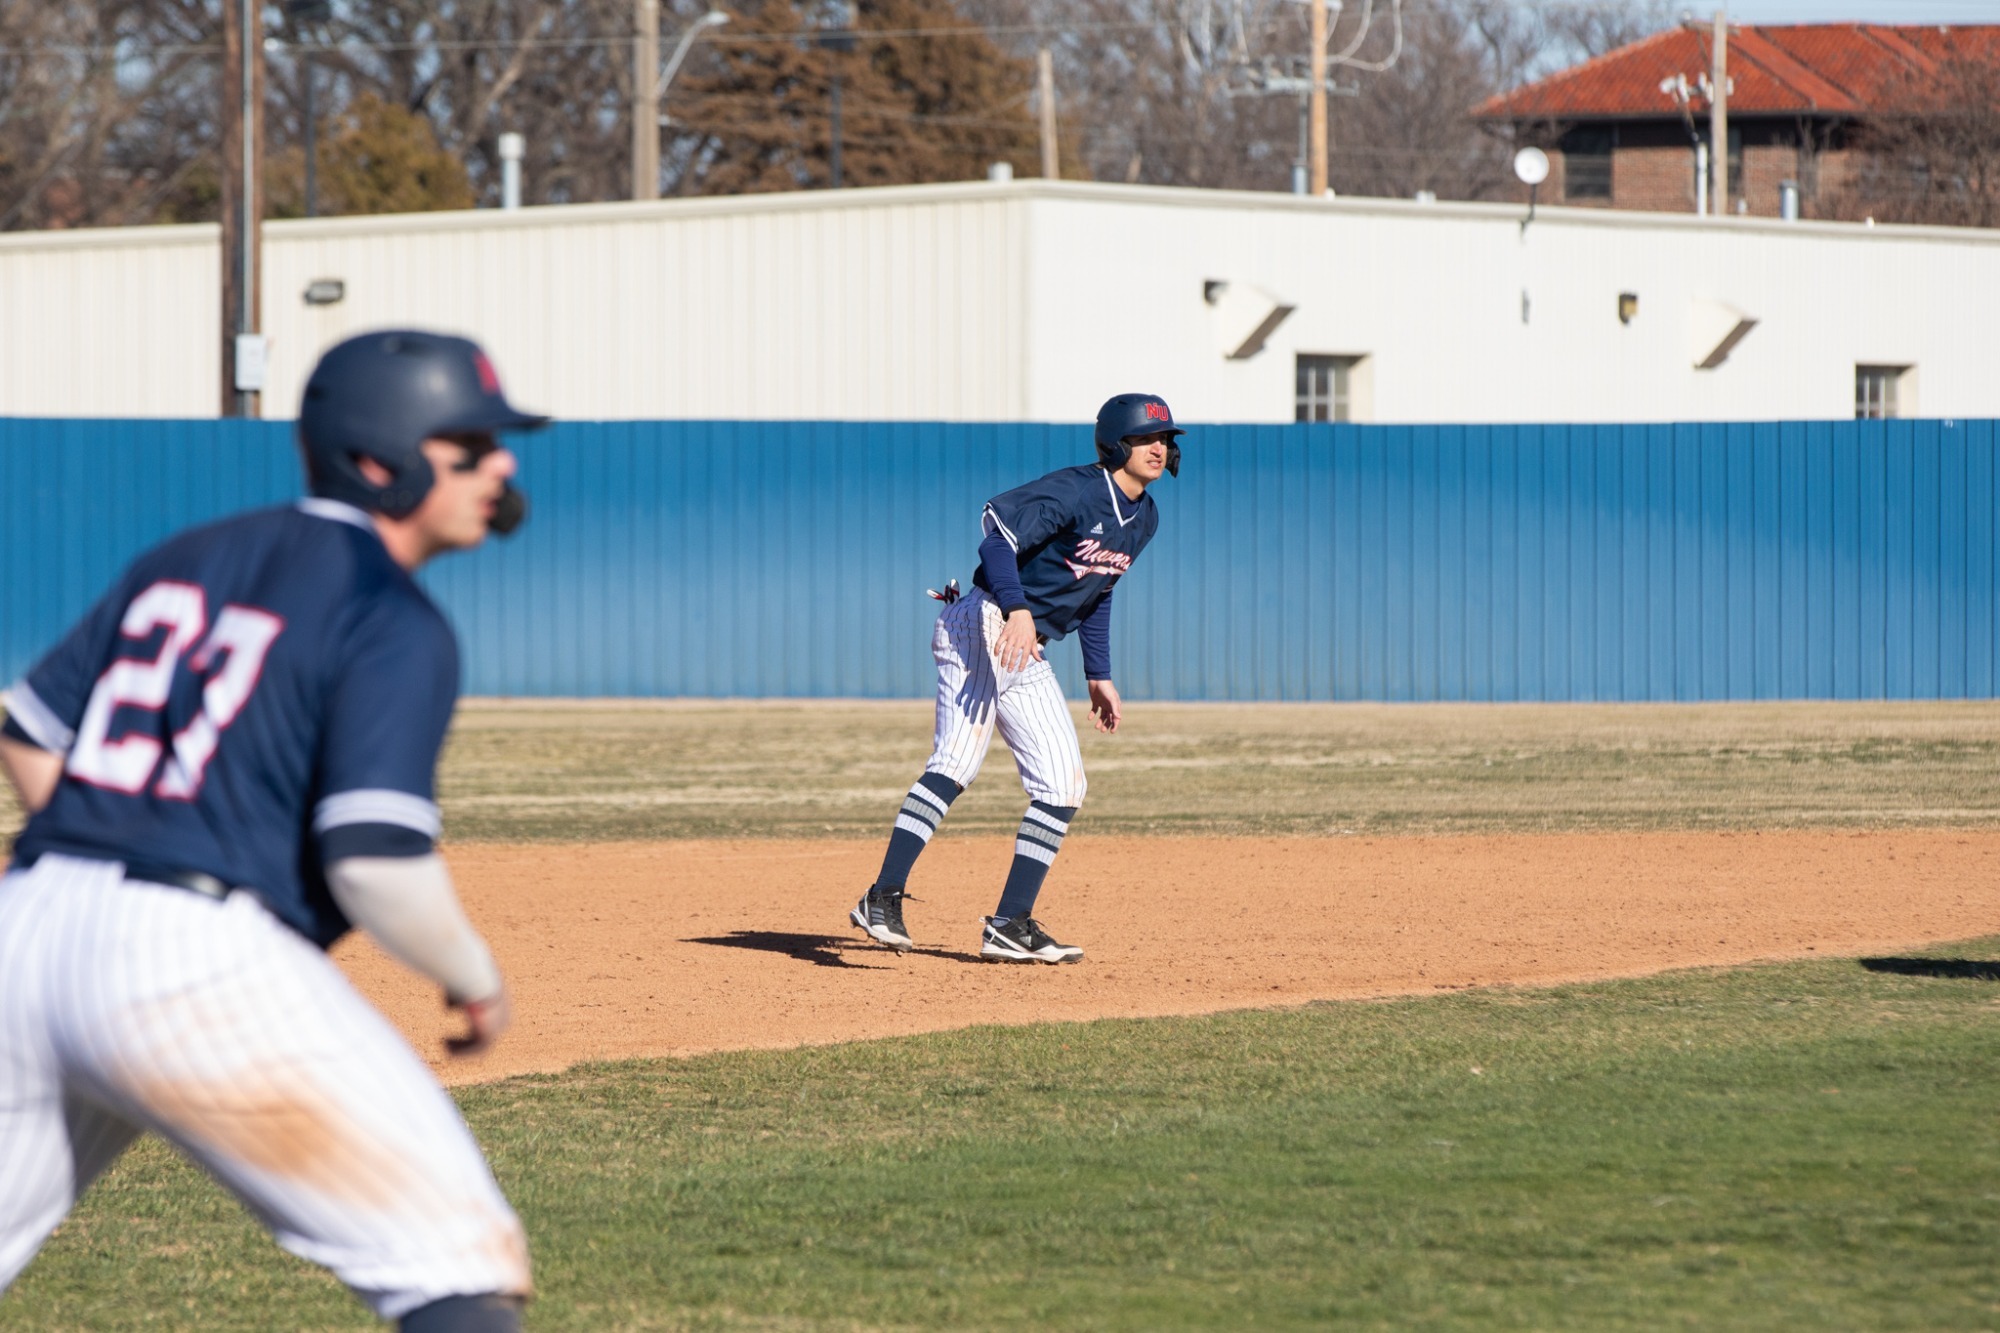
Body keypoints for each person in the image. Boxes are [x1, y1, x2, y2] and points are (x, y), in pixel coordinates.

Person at [0, 330, 546, 1331]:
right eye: (470, 444)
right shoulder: (392, 614)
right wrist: (471, 976)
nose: (502, 465)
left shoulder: (190, 553)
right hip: (189, 959)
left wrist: (114, 834)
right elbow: (375, 862)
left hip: (22, 928)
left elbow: (28, 729)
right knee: (455, 1265)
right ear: (381, 462)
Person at [849, 393, 1183, 963]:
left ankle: (1010, 924)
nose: (1158, 447)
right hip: (981, 621)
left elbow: (1099, 589)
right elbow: (995, 534)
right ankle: (880, 897)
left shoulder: (1144, 518)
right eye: (1145, 438)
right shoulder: (1078, 488)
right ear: (1115, 444)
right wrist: (1019, 608)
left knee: (1062, 785)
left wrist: (1098, 674)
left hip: (1025, 647)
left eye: (1165, 439)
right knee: (956, 764)